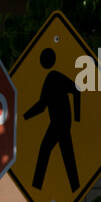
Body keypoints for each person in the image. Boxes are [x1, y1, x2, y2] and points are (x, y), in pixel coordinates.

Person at [24, 48, 82, 191]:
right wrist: (24, 117)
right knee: (61, 154)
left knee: (51, 151)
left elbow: (77, 89)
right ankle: (72, 187)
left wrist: (77, 118)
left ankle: (38, 186)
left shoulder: (54, 77)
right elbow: (42, 106)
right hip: (57, 123)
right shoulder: (50, 78)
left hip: (61, 123)